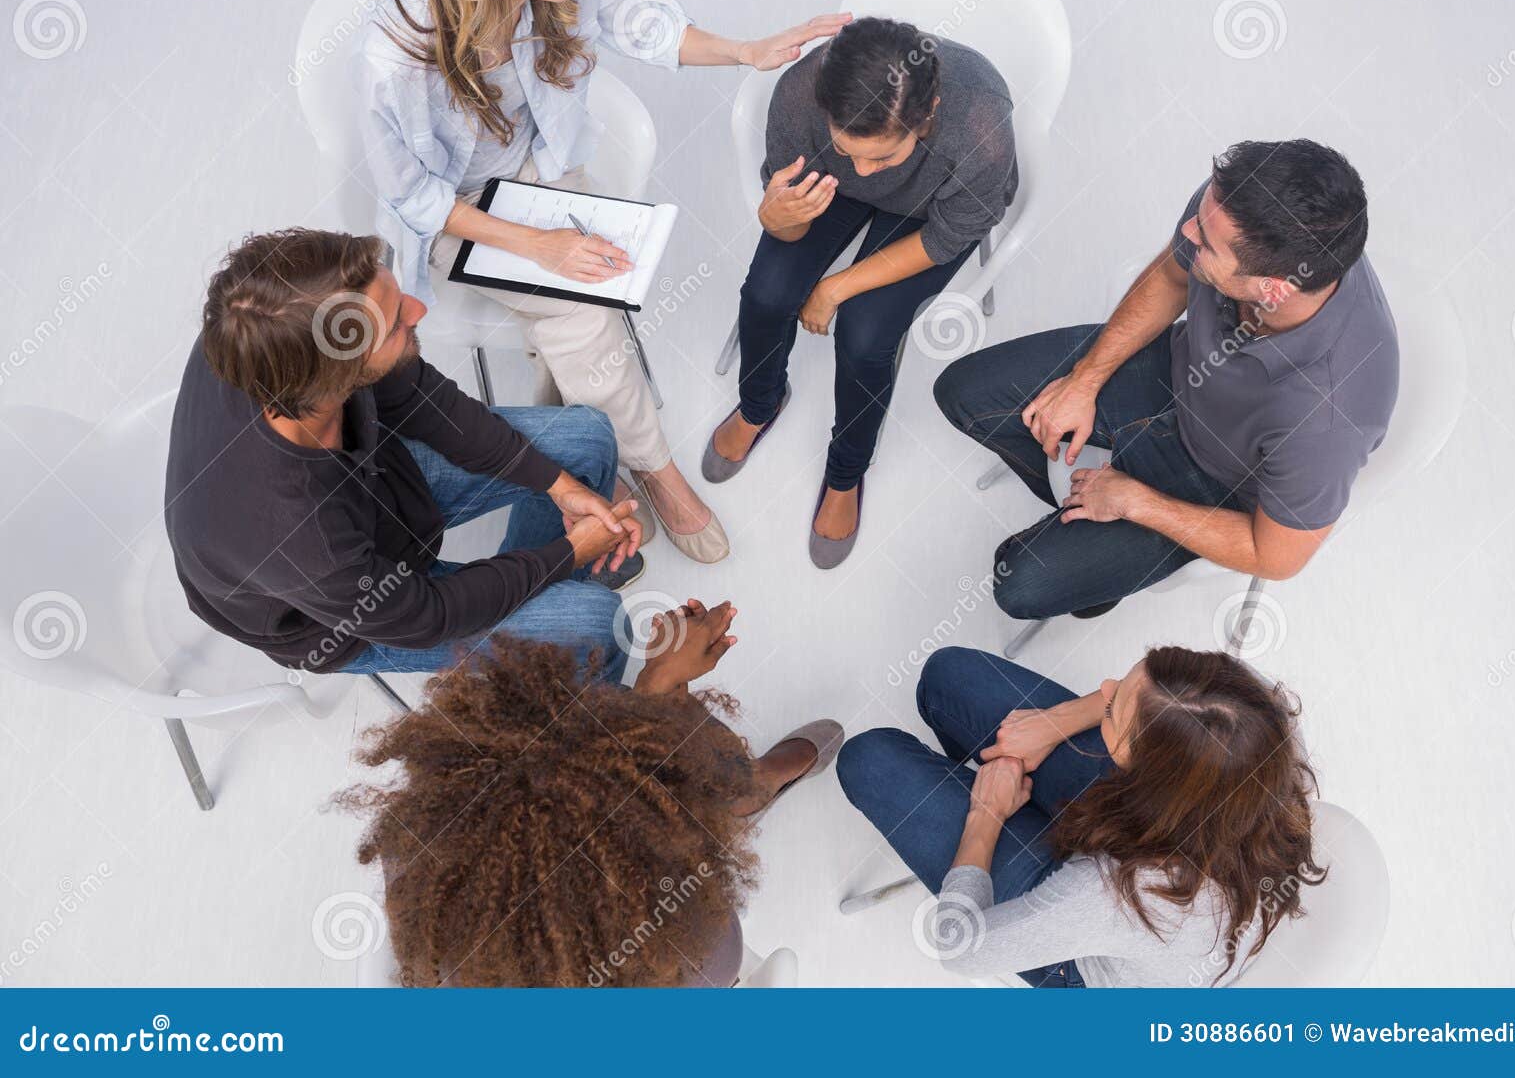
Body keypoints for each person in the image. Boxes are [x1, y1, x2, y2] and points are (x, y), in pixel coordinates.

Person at [357, 0, 851, 564]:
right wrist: (539, 245)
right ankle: (653, 467)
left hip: (541, 168)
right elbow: (412, 195)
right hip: (459, 213)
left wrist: (748, 51)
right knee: (585, 308)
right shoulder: (397, 53)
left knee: (580, 306)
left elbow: (640, 23)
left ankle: (582, 450)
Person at [935, 140, 1397, 623]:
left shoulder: (1329, 418)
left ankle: (1088, 562)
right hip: (1173, 369)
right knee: (962, 393)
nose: (1188, 231)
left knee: (1018, 584)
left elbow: (1276, 556)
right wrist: (1084, 381)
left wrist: (1136, 502)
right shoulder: (1230, 207)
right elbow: (1172, 278)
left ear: (1272, 289)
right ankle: (1080, 528)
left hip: (1217, 483)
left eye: (1206, 243)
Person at [164, 227, 643, 685]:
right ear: (335, 376)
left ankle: (538, 586)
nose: (419, 309)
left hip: (376, 482)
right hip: (351, 619)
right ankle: (559, 671)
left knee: (586, 439)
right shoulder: (300, 540)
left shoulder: (270, 321)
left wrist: (560, 489)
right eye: (396, 323)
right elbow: (429, 614)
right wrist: (566, 555)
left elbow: (417, 395)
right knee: (599, 624)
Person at [338, 600, 843, 987]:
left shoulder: (425, 858)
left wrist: (652, 699)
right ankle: (749, 787)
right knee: (694, 770)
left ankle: (718, 772)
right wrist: (658, 695)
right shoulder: (701, 956)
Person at [702, 17, 1017, 568]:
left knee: (866, 336)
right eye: (849, 150)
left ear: (929, 112)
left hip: (927, 214)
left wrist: (835, 288)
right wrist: (775, 218)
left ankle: (845, 472)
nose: (866, 171)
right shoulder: (801, 94)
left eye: (884, 157)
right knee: (767, 293)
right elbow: (790, 228)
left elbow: (946, 238)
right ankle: (759, 403)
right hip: (828, 192)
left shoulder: (980, 124)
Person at [837, 645, 1323, 987]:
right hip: (1148, 832)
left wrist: (985, 815)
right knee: (948, 675)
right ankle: (969, 789)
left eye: (1115, 711)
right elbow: (1133, 695)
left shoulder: (1124, 896)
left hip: (1094, 949)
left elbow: (961, 947)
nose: (1105, 688)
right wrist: (1055, 722)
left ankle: (974, 803)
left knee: (868, 761)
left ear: (1150, 772)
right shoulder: (1248, 717)